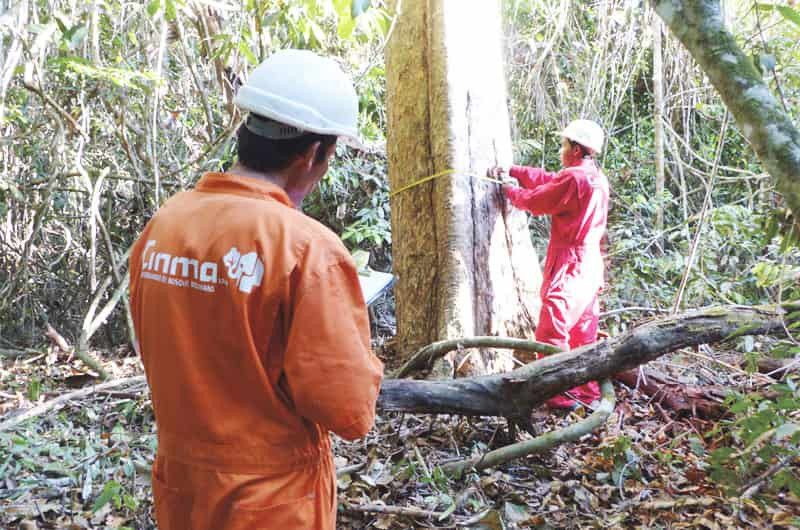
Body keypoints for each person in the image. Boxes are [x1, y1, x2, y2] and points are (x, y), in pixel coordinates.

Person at [129, 49, 384, 529]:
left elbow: (159, 341)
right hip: (270, 502)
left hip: (182, 488)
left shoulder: (166, 223)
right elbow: (349, 411)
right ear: (314, 155)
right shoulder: (308, 249)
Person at [488, 119, 609, 409]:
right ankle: (586, 392)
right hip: (590, 264)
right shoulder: (593, 176)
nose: (561, 150)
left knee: (552, 330)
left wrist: (509, 189)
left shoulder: (576, 179)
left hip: (571, 262)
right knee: (583, 331)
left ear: (578, 149)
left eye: (565, 144)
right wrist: (515, 171)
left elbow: (538, 200)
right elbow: (549, 180)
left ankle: (558, 396)